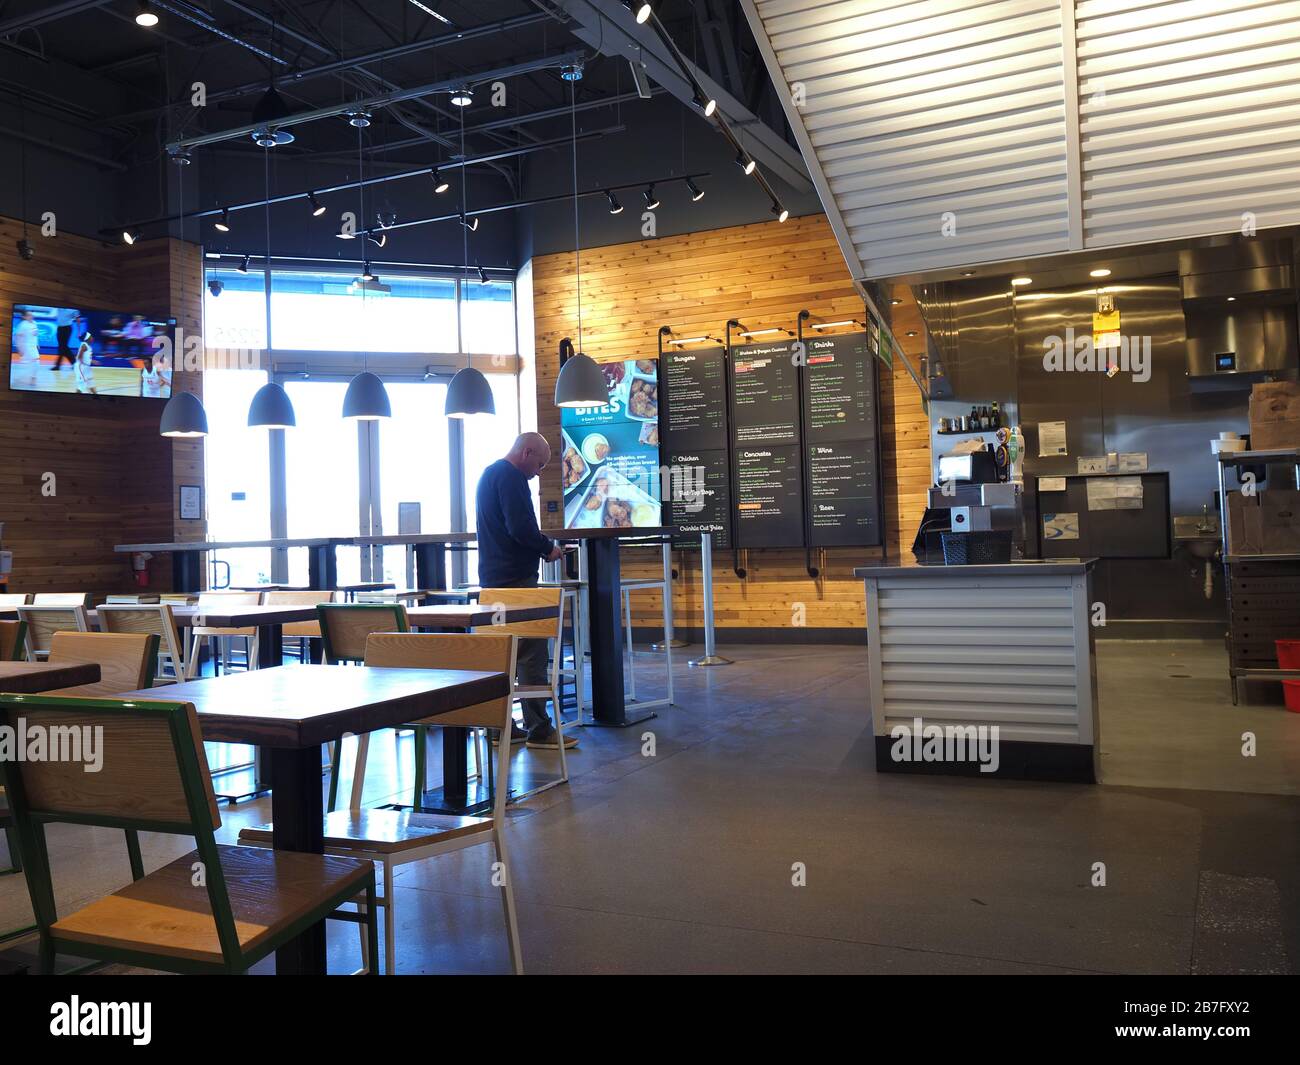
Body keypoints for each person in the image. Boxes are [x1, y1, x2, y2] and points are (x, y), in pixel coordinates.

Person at [475, 432, 577, 750]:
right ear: (527, 451)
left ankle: (498, 726)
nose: (539, 471)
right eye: (540, 463)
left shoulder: (490, 474)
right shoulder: (511, 476)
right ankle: (540, 730)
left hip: (493, 580)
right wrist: (548, 548)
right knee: (532, 655)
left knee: (503, 655)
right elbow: (519, 527)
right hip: (515, 582)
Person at [12, 309, 40, 389]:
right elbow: (17, 336)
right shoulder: (23, 325)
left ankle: (30, 377)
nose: (31, 316)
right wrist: (19, 348)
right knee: (36, 361)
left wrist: (38, 343)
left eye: (32, 314)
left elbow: (36, 335)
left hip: (33, 347)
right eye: (29, 315)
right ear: (24, 317)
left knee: (31, 363)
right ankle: (32, 378)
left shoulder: (35, 323)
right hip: (27, 347)